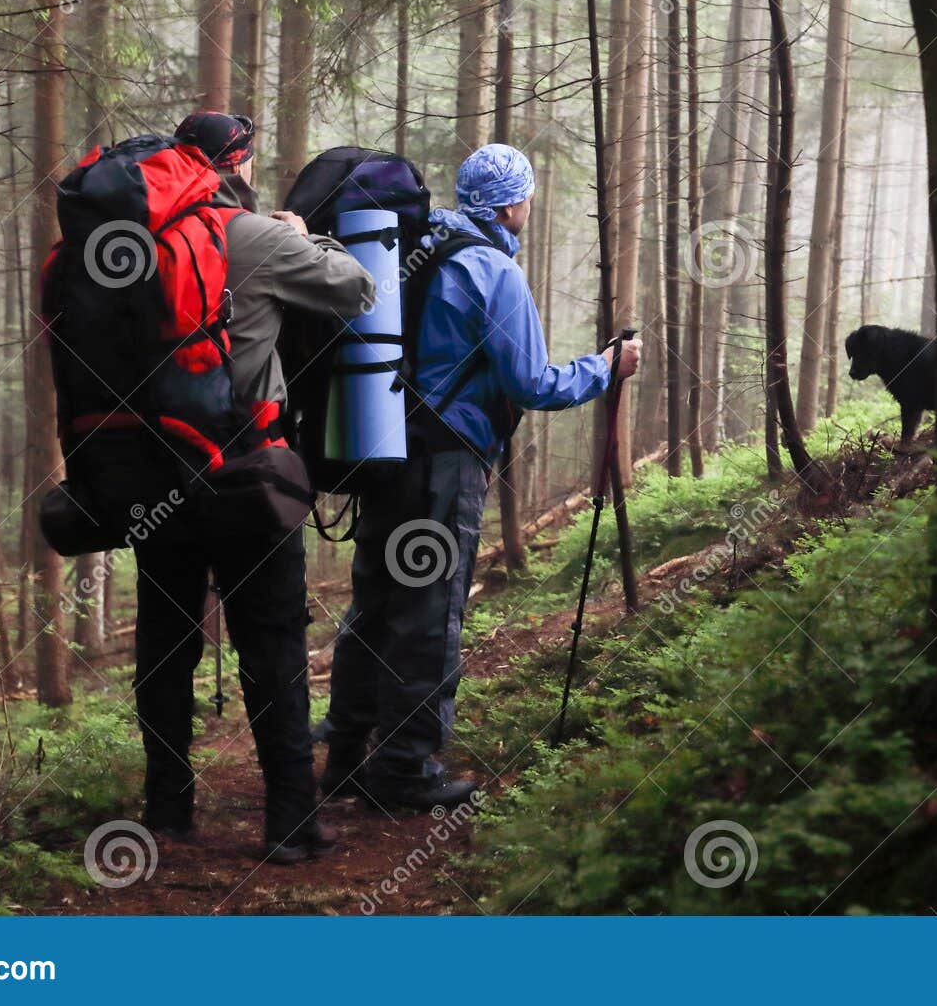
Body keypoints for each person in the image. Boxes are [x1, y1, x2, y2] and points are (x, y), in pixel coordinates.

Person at [322, 143, 643, 811]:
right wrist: (608, 365)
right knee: (429, 610)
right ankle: (404, 769)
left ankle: (346, 757)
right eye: (524, 196)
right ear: (511, 204)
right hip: (443, 462)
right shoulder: (489, 269)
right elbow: (533, 381)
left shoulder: (417, 244)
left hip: (382, 447)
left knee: (376, 603)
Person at [129, 111, 373, 862]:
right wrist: (301, 235)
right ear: (237, 168)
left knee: (165, 642)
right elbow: (357, 289)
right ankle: (290, 821)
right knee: (271, 643)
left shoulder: (123, 244)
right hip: (244, 474)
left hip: (150, 472)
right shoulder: (257, 238)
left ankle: (168, 810)